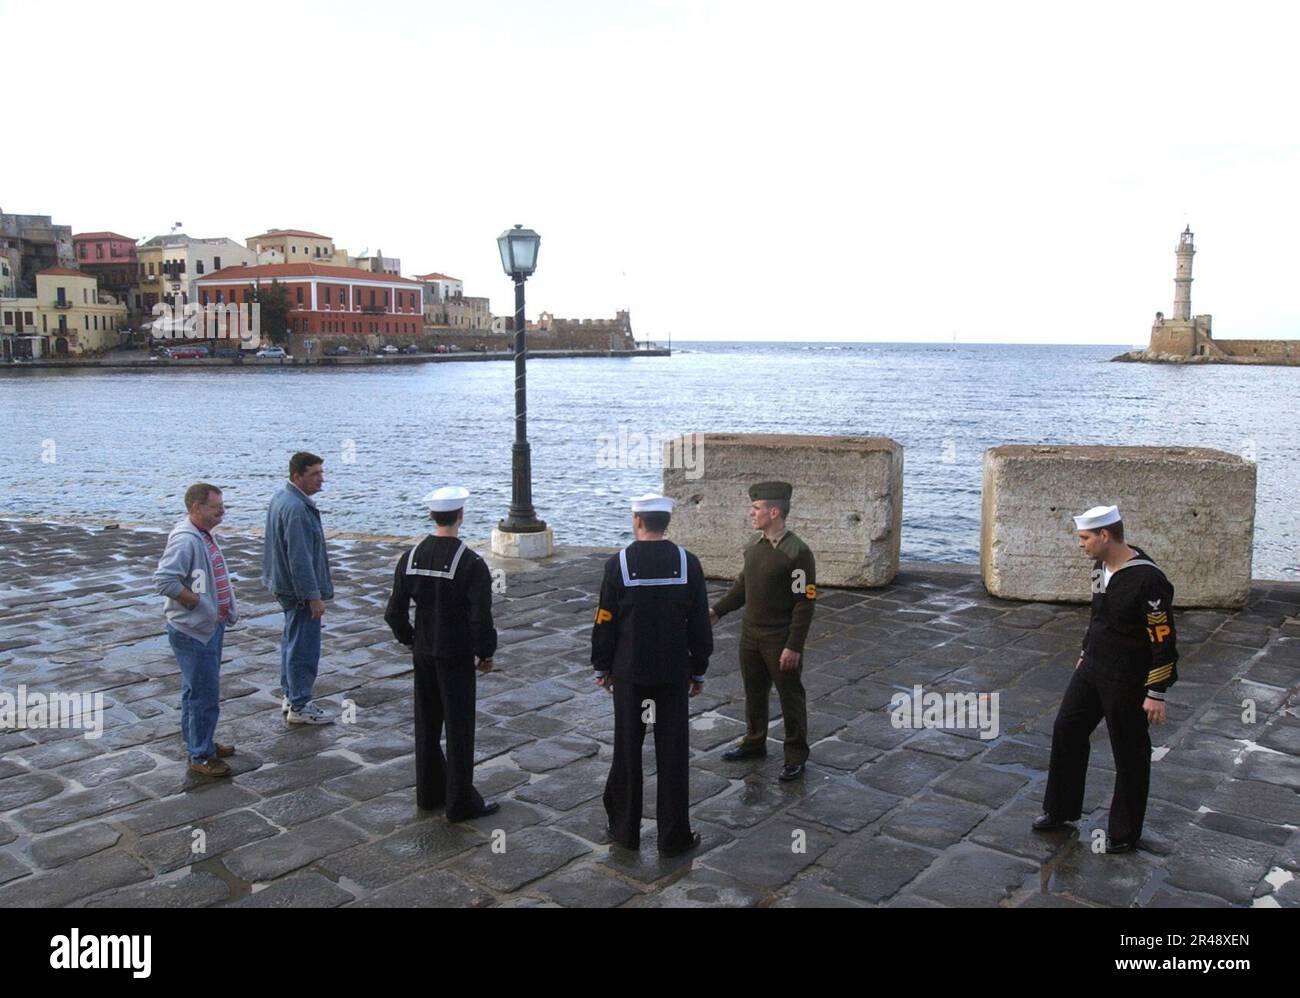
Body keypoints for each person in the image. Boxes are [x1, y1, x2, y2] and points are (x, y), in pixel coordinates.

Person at [1034, 504, 1179, 853]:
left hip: (1127, 678)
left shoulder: (1148, 580)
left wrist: (1156, 691)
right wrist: (1086, 650)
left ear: (1105, 535)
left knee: (1129, 752)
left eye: (1085, 538)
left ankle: (1125, 832)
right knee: (1067, 729)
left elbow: (1163, 637)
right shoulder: (1099, 566)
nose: (1080, 544)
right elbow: (1098, 614)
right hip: (1093, 668)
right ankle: (1060, 809)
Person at [593, 494, 712, 856]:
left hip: (630, 675)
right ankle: (673, 836)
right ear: (666, 522)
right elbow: (699, 624)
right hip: (673, 673)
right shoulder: (687, 563)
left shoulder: (619, 564)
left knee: (627, 752)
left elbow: (605, 619)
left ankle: (624, 829)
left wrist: (603, 665)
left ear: (638, 521)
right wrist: (699, 668)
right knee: (673, 755)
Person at [384, 486, 500, 820]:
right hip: (456, 653)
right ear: (461, 516)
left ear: (431, 515)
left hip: (423, 652)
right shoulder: (471, 562)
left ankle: (428, 794)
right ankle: (460, 802)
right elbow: (480, 616)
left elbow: (394, 612)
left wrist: (410, 639)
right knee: (460, 729)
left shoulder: (411, 556)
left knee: (427, 724)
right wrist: (485, 653)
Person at [711, 481, 817, 782]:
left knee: (790, 697)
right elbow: (742, 587)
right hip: (750, 636)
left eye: (756, 508)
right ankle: (754, 742)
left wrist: (793, 646)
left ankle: (795, 755)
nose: (751, 513)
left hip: (779, 639)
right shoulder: (753, 547)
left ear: (774, 511)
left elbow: (804, 603)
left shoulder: (797, 553)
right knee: (754, 693)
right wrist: (717, 611)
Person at [154, 483, 240, 777]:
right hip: (194, 630)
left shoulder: (203, 535)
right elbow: (165, 581)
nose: (222, 511)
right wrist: (199, 604)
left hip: (208, 626)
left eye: (222, 505)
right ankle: (201, 755)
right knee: (204, 693)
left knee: (196, 691)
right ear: (196, 508)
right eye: (216, 507)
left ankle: (199, 742)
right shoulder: (186, 540)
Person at [262, 451, 335, 725]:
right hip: (298, 591)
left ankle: (291, 695)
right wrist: (313, 596)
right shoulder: (296, 509)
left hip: (282, 584)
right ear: (297, 476)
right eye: (315, 474)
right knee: (304, 646)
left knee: (291, 641)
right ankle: (300, 705)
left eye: (321, 473)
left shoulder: (282, 498)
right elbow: (299, 558)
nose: (321, 479)